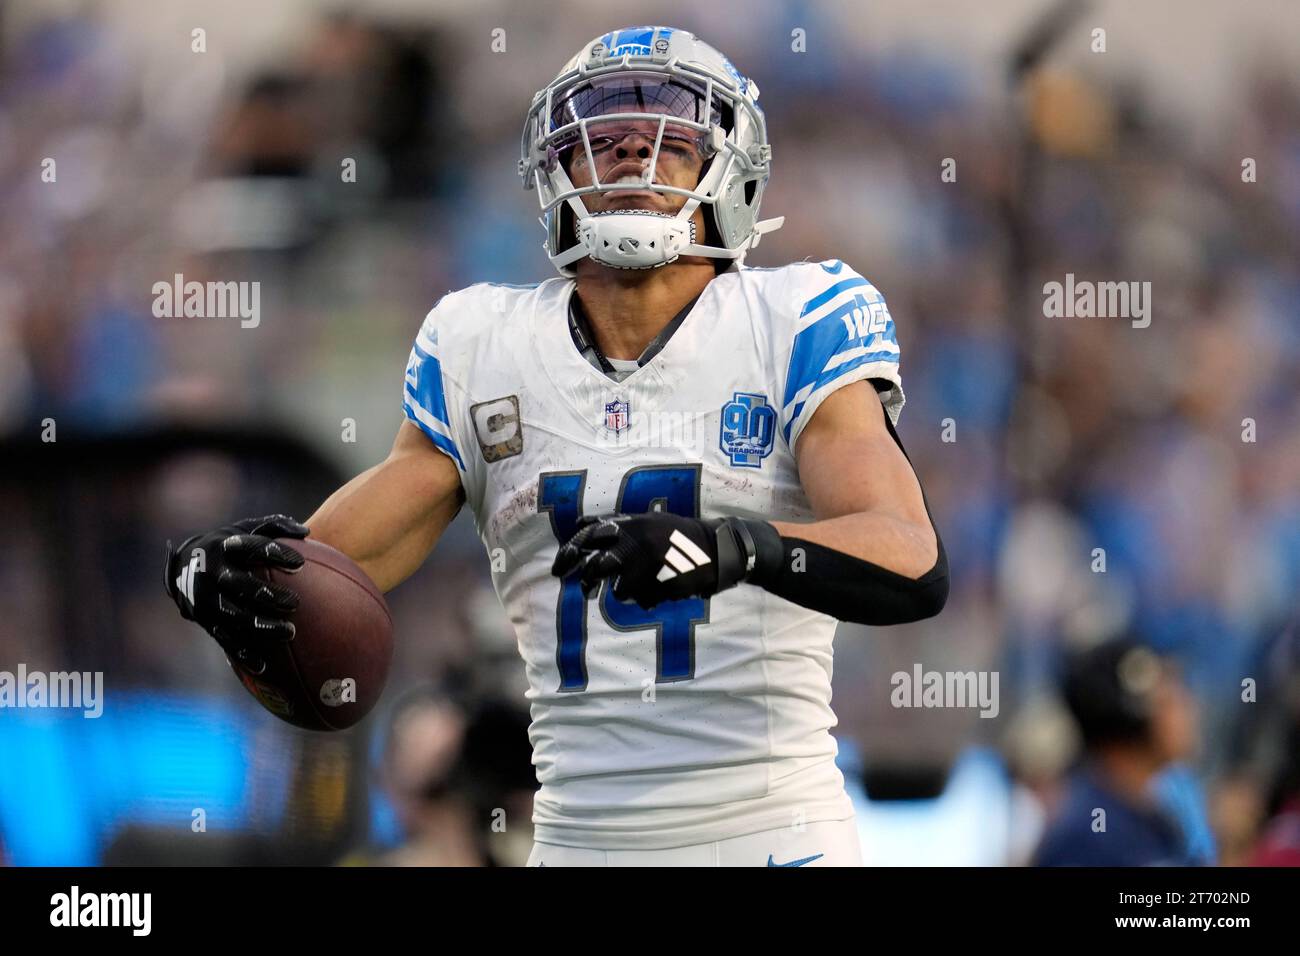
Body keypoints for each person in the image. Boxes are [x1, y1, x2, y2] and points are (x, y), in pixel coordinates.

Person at [165, 26, 948, 867]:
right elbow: (338, 565)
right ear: (557, 172)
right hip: (575, 843)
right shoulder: (481, 343)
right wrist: (239, 575)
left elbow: (909, 556)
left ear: (731, 174)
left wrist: (736, 547)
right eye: (602, 143)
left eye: (668, 144)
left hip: (769, 836)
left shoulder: (792, 319)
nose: (630, 162)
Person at [1033, 638, 1205, 866]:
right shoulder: (1088, 837)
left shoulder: (1158, 819)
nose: (1189, 711)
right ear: (1129, 721)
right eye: (1170, 702)